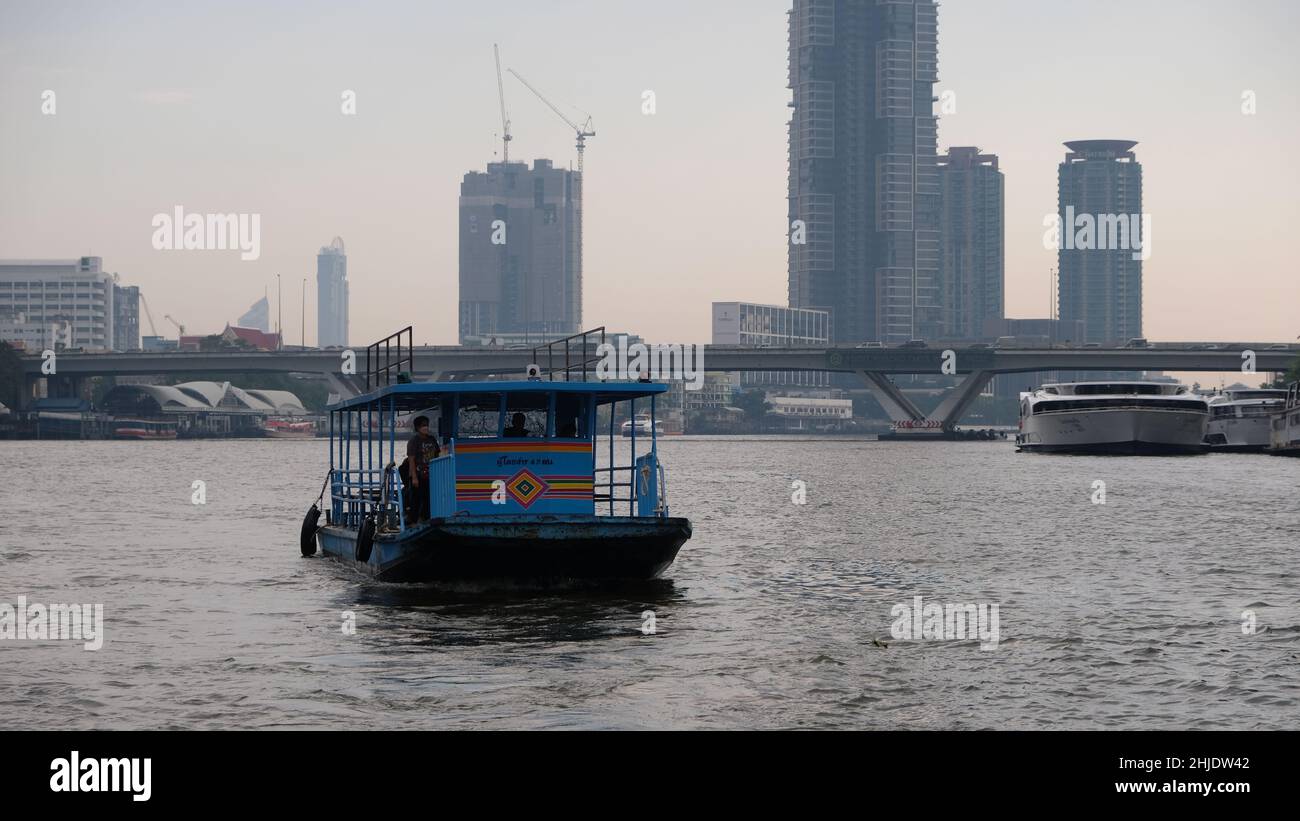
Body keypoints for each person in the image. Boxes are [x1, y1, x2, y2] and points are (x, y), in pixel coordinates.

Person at [403, 415, 440, 524]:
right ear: (418, 427)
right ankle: (414, 520)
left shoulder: (432, 439)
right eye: (423, 426)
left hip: (431, 474)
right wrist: (414, 477)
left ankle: (426, 518)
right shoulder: (414, 441)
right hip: (418, 475)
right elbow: (411, 459)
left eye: (427, 425)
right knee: (416, 499)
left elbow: (438, 454)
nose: (426, 428)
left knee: (428, 498)